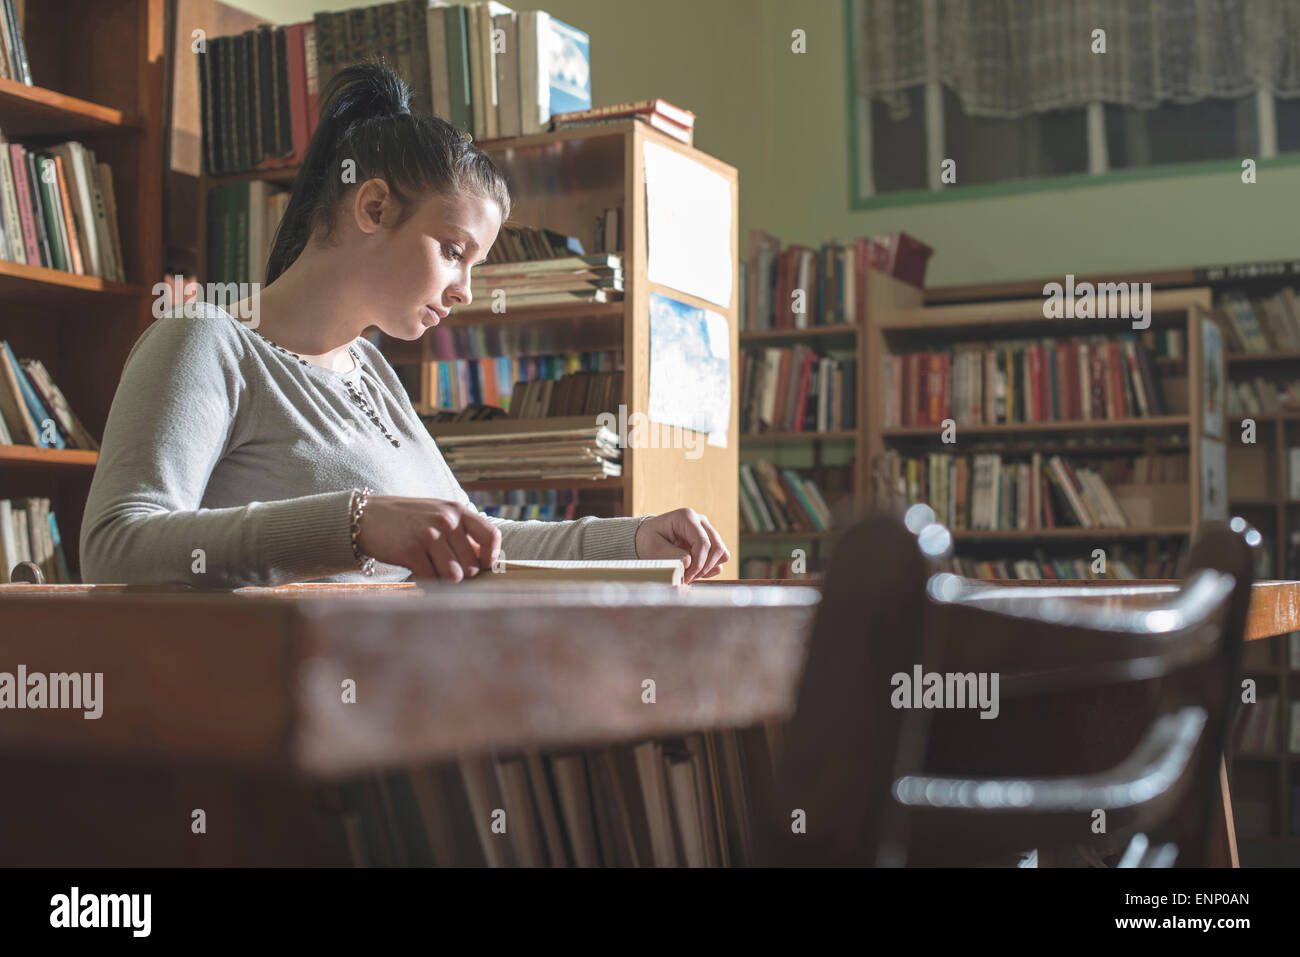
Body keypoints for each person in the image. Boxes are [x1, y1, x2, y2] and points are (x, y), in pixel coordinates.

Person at [79, 61, 729, 587]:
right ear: (374, 206)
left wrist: (636, 540)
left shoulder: (374, 374)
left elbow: (480, 538)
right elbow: (116, 546)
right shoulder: (205, 341)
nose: (467, 290)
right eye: (453, 251)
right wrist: (354, 524)